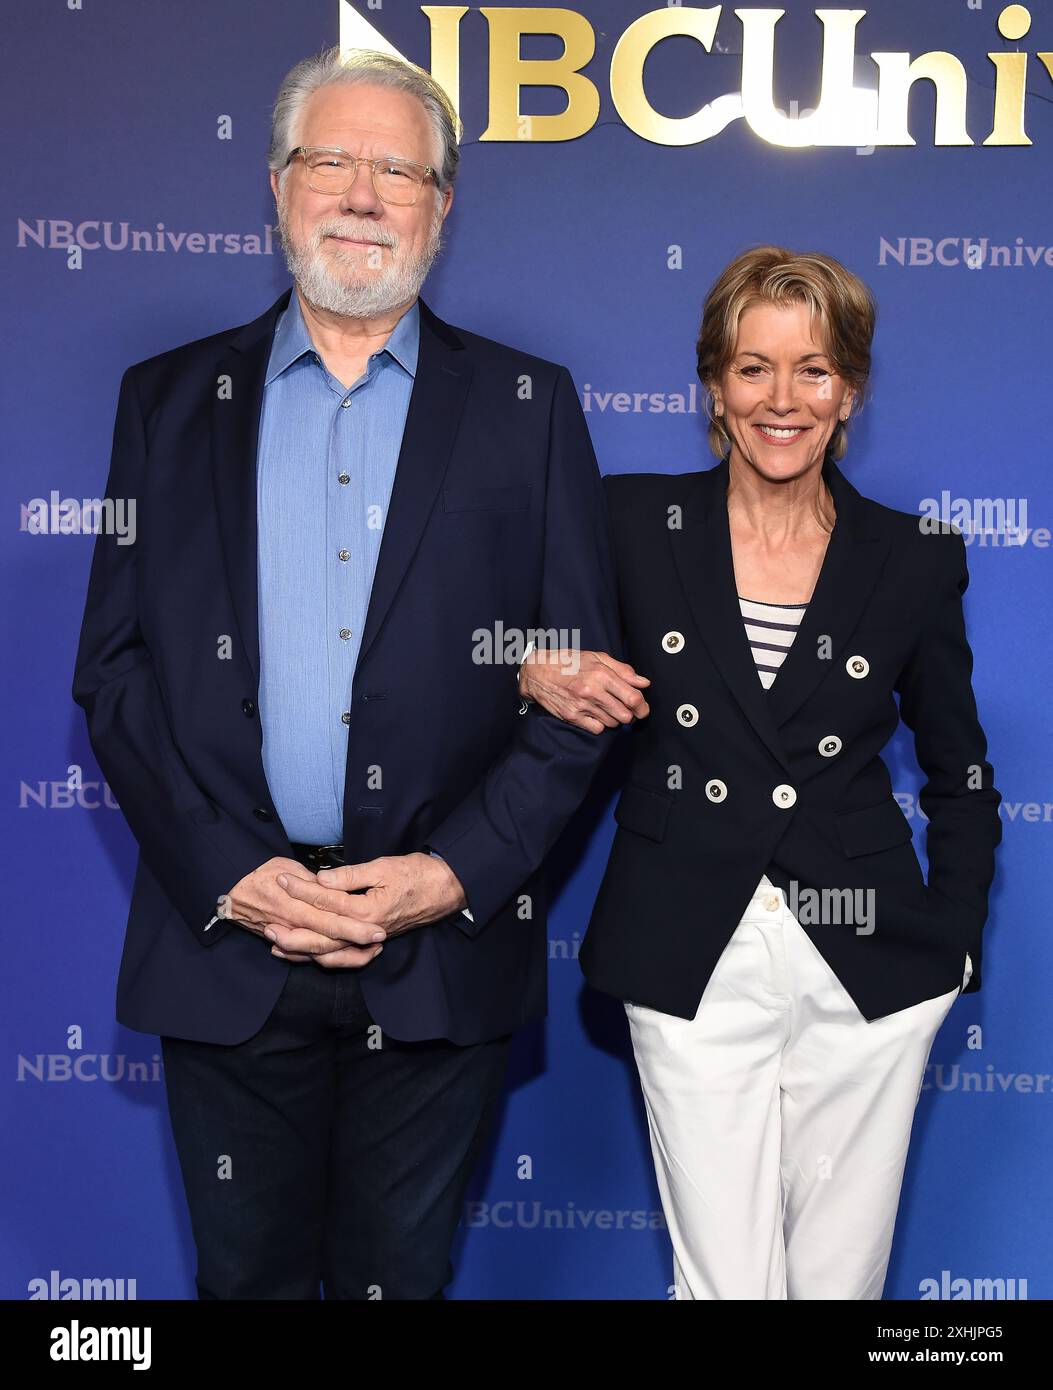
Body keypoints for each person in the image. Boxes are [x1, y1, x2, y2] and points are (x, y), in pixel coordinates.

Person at [72, 46, 620, 1300]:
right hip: (229, 946)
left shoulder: (529, 406)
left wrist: (449, 875)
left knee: (399, 1284)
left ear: (442, 204)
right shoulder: (166, 402)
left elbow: (576, 698)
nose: (363, 194)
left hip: (433, 955)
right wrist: (233, 875)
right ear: (277, 186)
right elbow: (114, 673)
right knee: (243, 1281)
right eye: (333, 161)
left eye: (399, 169)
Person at [518, 246, 1002, 1299]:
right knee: (726, 1286)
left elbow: (962, 773)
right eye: (753, 368)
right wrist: (529, 663)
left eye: (814, 370)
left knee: (843, 1284)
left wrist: (953, 943)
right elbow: (502, 634)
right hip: (690, 945)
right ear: (713, 383)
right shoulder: (631, 524)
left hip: (871, 955)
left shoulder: (915, 555)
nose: (782, 401)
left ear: (852, 390)